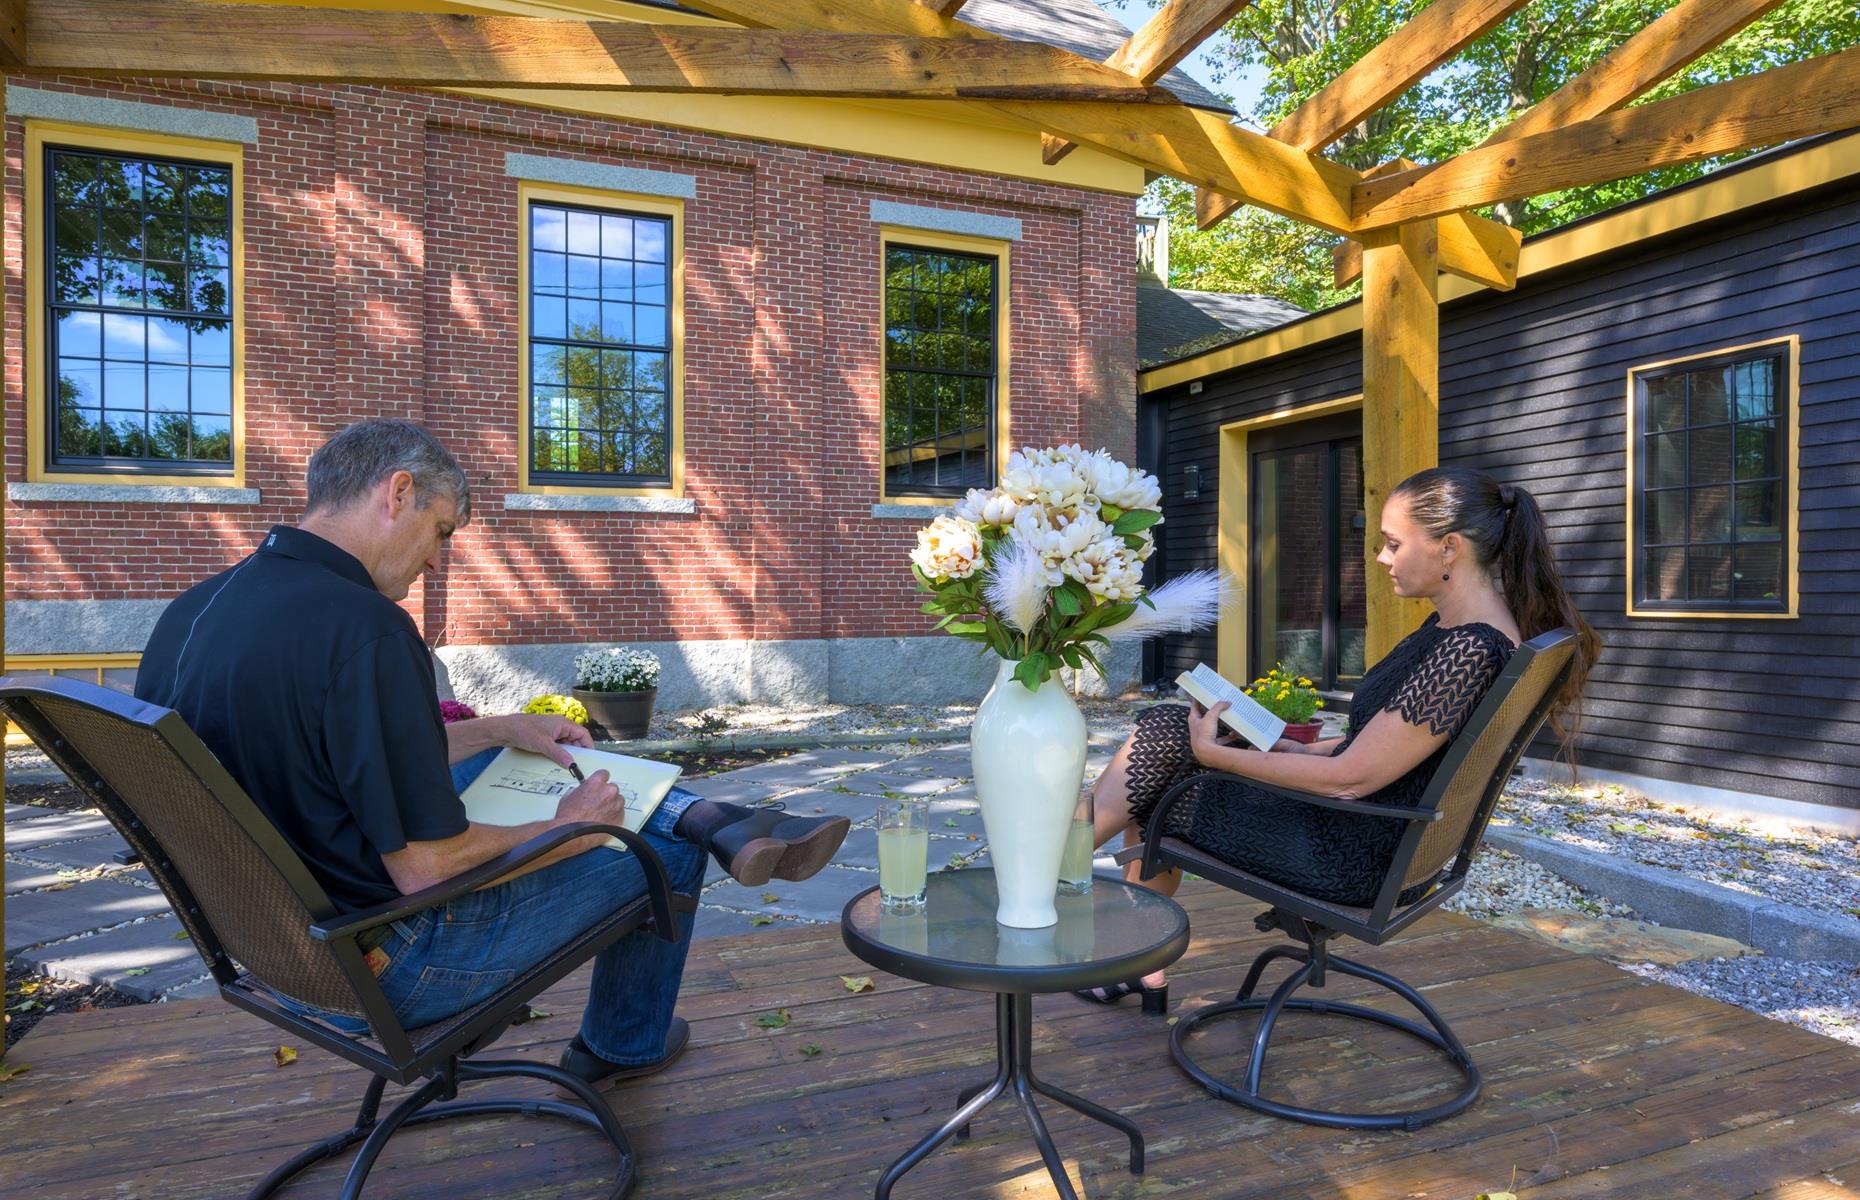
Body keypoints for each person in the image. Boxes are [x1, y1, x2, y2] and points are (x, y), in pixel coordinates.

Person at [134, 419, 851, 1088]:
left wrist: (497, 730)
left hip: (285, 954)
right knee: (658, 856)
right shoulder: (367, 629)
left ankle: (717, 819)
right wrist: (572, 828)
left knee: (513, 762)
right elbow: (425, 868)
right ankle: (621, 1042)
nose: (435, 559)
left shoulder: (196, 612)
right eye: (441, 531)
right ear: (398, 493)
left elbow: (329, 755)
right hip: (392, 966)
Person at [1073, 467, 1599, 1014]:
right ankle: (1125, 948)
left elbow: (1352, 779)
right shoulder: (1456, 631)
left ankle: (1057, 893)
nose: (1381, 558)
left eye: (1393, 544)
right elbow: (1381, 748)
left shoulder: (1468, 651)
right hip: (1367, 831)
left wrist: (1213, 755)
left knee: (1163, 758)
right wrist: (1298, 748)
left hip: (1349, 854)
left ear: (1449, 548)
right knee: (1168, 739)